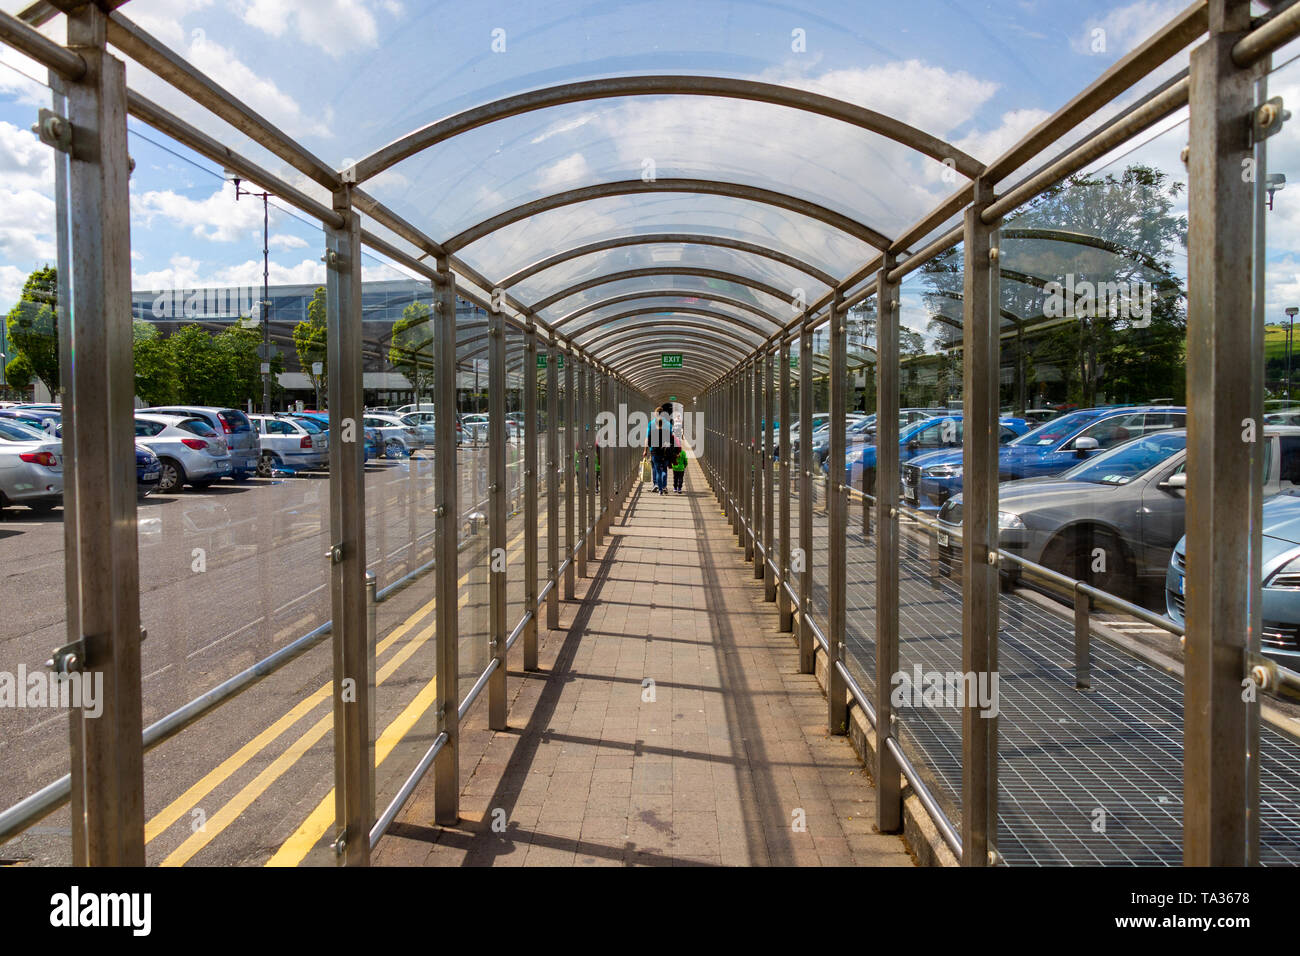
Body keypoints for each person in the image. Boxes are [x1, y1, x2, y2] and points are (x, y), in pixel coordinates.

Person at [643, 401, 675, 495]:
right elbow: (670, 438)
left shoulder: (651, 423)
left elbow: (647, 438)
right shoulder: (668, 424)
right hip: (665, 451)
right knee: (664, 468)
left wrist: (645, 450)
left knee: (656, 469)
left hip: (654, 451)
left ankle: (656, 484)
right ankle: (664, 486)